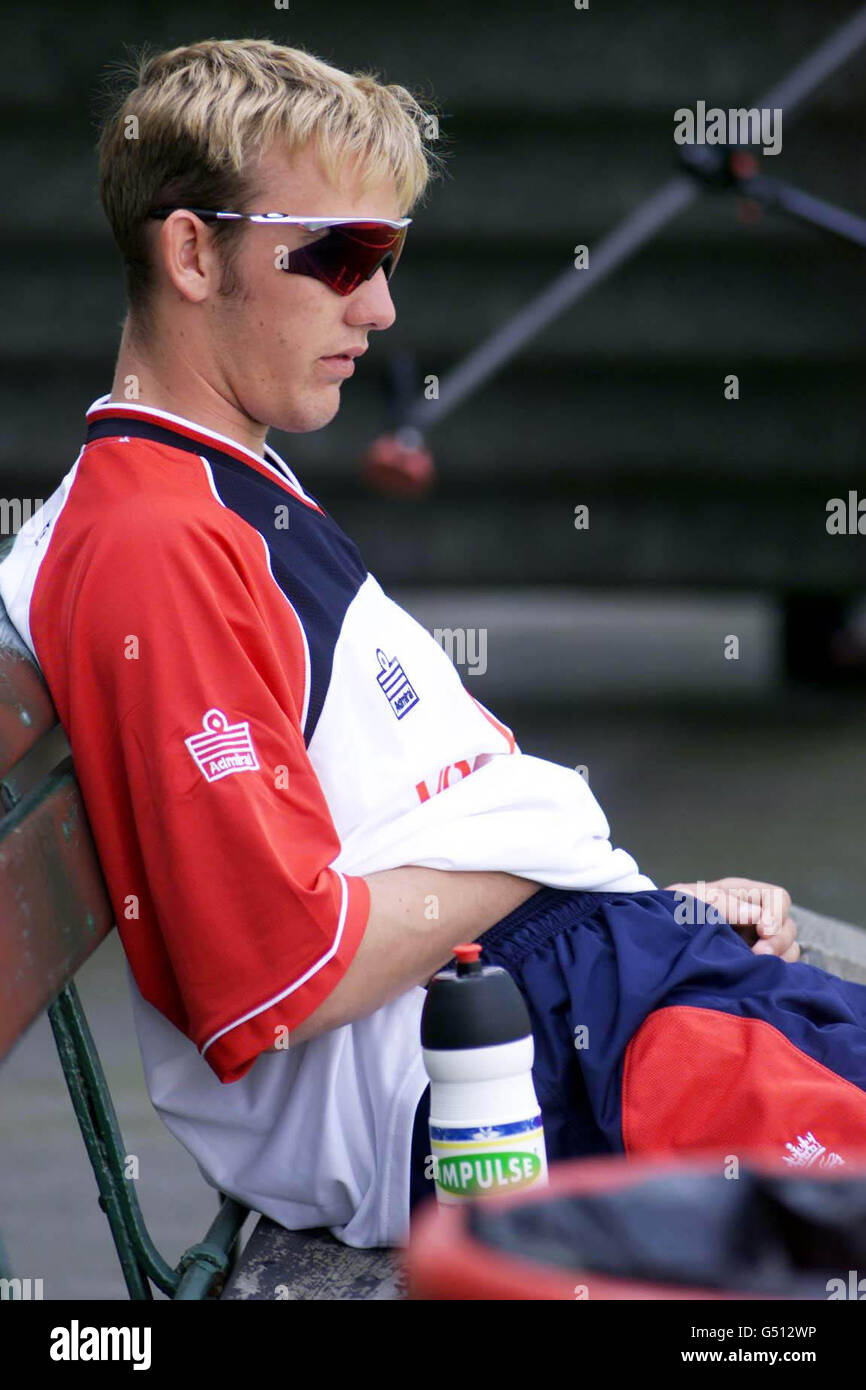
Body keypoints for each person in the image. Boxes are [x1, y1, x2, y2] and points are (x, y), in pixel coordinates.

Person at [2, 39, 864, 1250]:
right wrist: (539, 853)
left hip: (557, 998)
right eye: (340, 254)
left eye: (388, 254)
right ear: (191, 250)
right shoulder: (155, 539)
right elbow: (273, 972)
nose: (381, 305)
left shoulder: (214, 479)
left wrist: (620, 898)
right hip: (491, 1076)